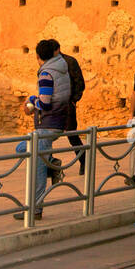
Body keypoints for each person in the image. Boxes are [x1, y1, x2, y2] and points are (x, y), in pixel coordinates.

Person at [13, 39, 71, 221]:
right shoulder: (62, 68)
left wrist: (31, 100)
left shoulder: (47, 73)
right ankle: (52, 163)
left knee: (35, 165)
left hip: (48, 123)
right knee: (24, 149)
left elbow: (45, 103)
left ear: (38, 56)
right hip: (58, 121)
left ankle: (35, 209)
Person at [51, 40, 86, 177]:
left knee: (71, 134)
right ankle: (51, 165)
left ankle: (83, 160)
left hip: (68, 104)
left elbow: (80, 82)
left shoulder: (70, 62)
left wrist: (73, 100)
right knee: (48, 135)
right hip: (54, 105)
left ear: (58, 49)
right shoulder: (50, 64)